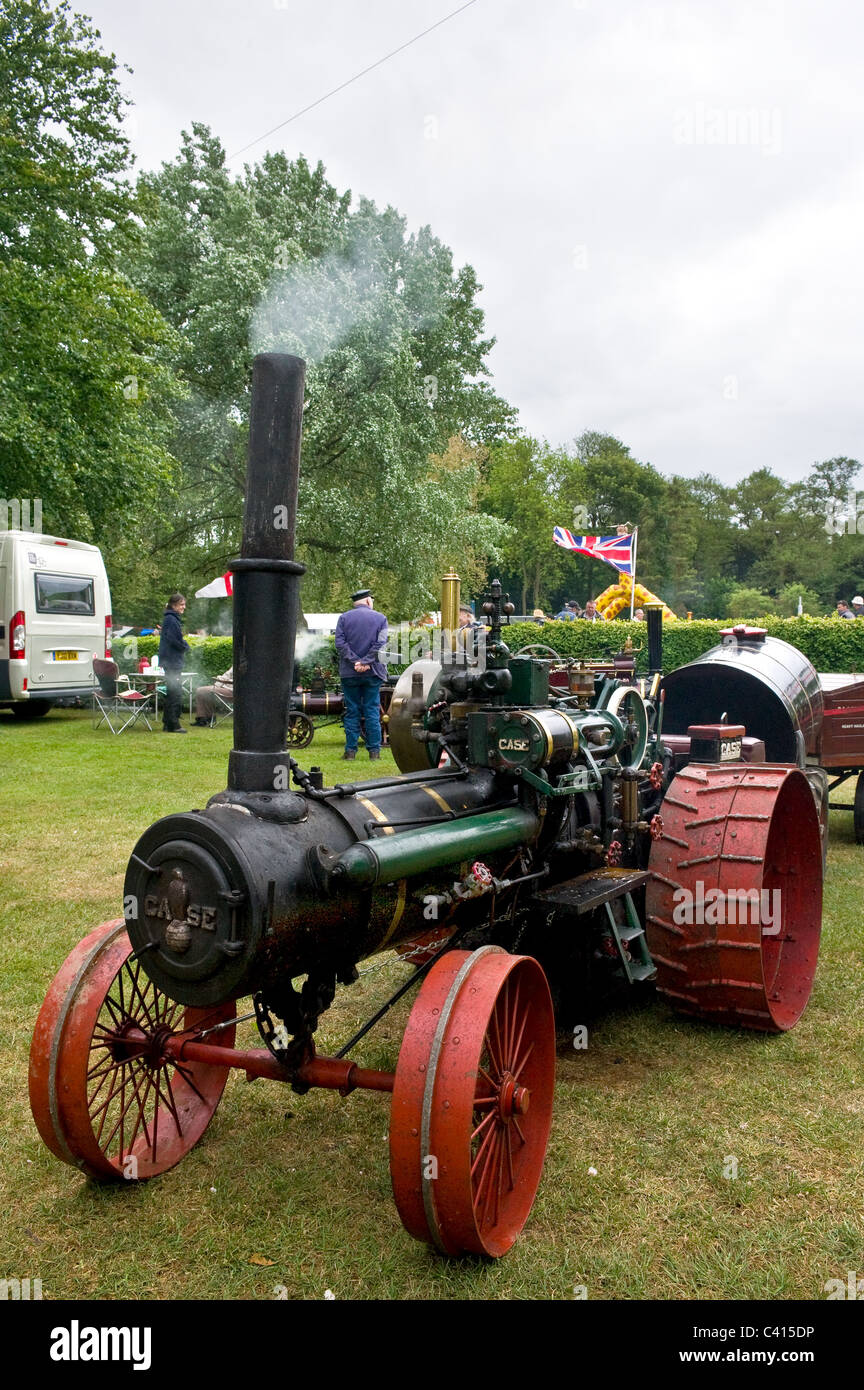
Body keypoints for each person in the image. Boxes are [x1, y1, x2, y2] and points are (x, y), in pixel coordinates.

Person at [334, 588, 388, 760]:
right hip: (373, 672)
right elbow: (381, 643)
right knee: (372, 710)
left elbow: (340, 643)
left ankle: (350, 752)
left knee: (352, 711)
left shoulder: (343, 618)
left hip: (350, 673)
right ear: (368, 601)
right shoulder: (381, 618)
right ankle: (374, 752)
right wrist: (366, 661)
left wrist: (355, 661)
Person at [158, 593, 190, 732]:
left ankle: (167, 723)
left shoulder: (170, 619)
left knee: (172, 691)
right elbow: (174, 639)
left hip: (169, 661)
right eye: (182, 604)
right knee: (175, 692)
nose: (184, 607)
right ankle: (173, 724)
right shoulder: (171, 619)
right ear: (174, 604)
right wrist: (185, 646)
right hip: (172, 661)